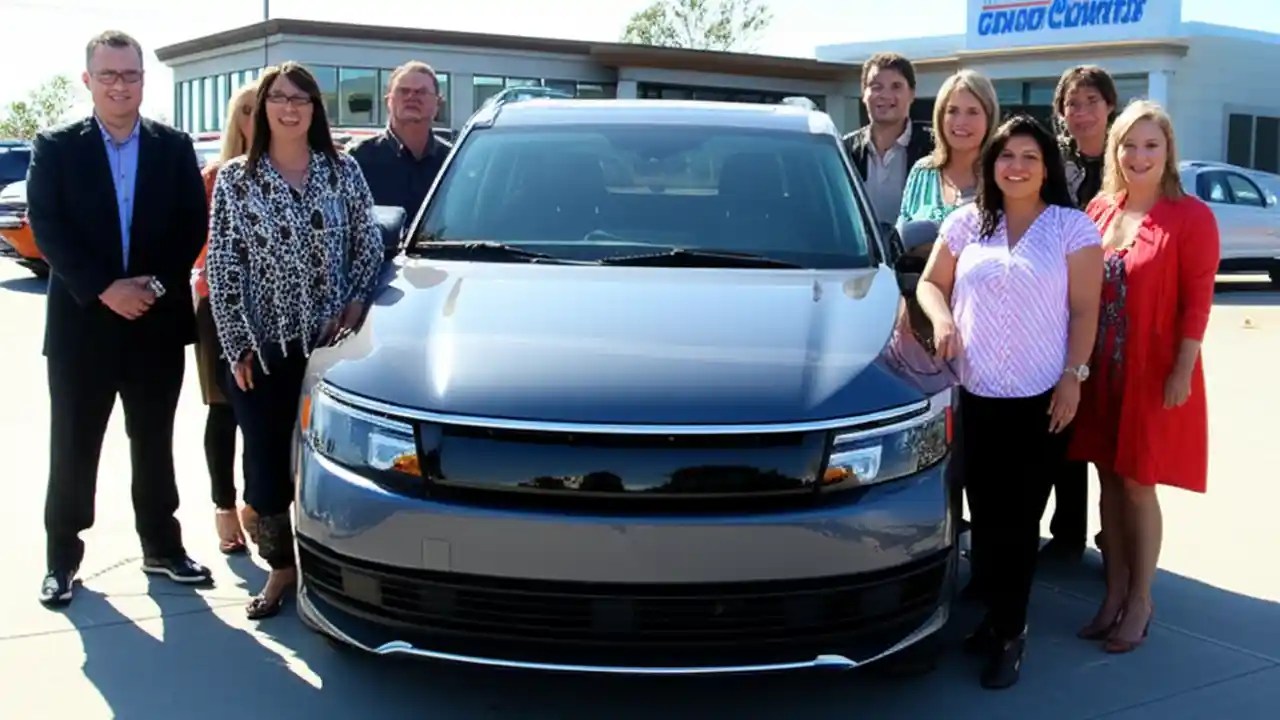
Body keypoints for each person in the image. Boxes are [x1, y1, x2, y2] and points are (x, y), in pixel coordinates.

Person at [915, 115, 1103, 688]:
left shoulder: (1072, 229)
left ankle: (1011, 633)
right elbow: (928, 283)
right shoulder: (967, 222)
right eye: (1005, 157)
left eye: (1028, 156)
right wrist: (942, 316)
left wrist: (1074, 375)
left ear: (1047, 166)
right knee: (986, 517)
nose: (1015, 167)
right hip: (973, 393)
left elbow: (1084, 311)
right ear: (990, 165)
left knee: (1020, 521)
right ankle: (996, 618)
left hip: (1043, 397)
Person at [29, 30, 212, 606]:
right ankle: (62, 559)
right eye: (108, 75)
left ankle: (162, 547)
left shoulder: (173, 147)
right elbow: (49, 228)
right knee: (74, 447)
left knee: (154, 443)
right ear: (88, 80)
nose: (120, 85)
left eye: (130, 75)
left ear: (142, 79)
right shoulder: (56, 147)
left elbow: (191, 225)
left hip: (155, 325)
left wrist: (151, 286)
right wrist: (105, 289)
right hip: (83, 327)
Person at [207, 61, 384, 619]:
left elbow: (368, 244)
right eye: (278, 98)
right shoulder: (237, 179)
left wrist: (355, 301)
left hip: (330, 346)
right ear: (262, 109)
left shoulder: (343, 171)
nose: (289, 108)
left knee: (325, 461)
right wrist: (235, 343)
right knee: (263, 464)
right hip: (262, 349)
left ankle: (333, 569)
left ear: (315, 109)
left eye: (301, 99)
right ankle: (281, 569)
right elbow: (224, 265)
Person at [1070, 100, 1219, 654]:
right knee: (1106, 480)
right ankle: (1111, 593)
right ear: (1115, 151)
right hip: (1098, 371)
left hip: (1151, 373)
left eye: (1151, 145)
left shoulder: (1192, 217)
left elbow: (1197, 302)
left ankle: (1141, 600)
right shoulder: (1101, 209)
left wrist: (1184, 367)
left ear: (1168, 151)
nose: (1139, 156)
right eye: (1129, 145)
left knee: (1138, 483)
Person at [1043, 64, 1120, 563]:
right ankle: (1067, 530)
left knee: (1113, 425)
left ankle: (1114, 534)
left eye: (1091, 100)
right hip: (1062, 304)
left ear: (1109, 105)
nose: (1082, 111)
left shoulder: (1126, 154)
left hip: (1119, 308)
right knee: (1065, 420)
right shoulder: (1055, 161)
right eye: (1072, 103)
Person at [192, 80, 258, 555]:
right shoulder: (215, 177)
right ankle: (223, 505)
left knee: (266, 415)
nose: (257, 118)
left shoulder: (296, 173)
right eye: (248, 110)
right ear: (236, 119)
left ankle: (264, 504)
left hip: (276, 315)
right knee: (224, 411)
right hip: (218, 308)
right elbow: (199, 249)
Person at [349, 61, 451, 224]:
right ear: (388, 101)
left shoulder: (452, 162)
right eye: (404, 91)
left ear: (437, 104)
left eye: (421, 92)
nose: (412, 97)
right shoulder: (357, 160)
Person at [841, 52, 935, 225]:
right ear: (864, 94)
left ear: (912, 94)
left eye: (896, 86)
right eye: (876, 86)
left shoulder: (934, 149)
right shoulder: (844, 151)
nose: (885, 95)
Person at [898, 69, 999, 228]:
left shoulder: (1001, 176)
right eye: (952, 111)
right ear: (940, 116)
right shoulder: (922, 172)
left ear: (989, 118)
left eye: (973, 112)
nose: (961, 122)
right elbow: (900, 239)